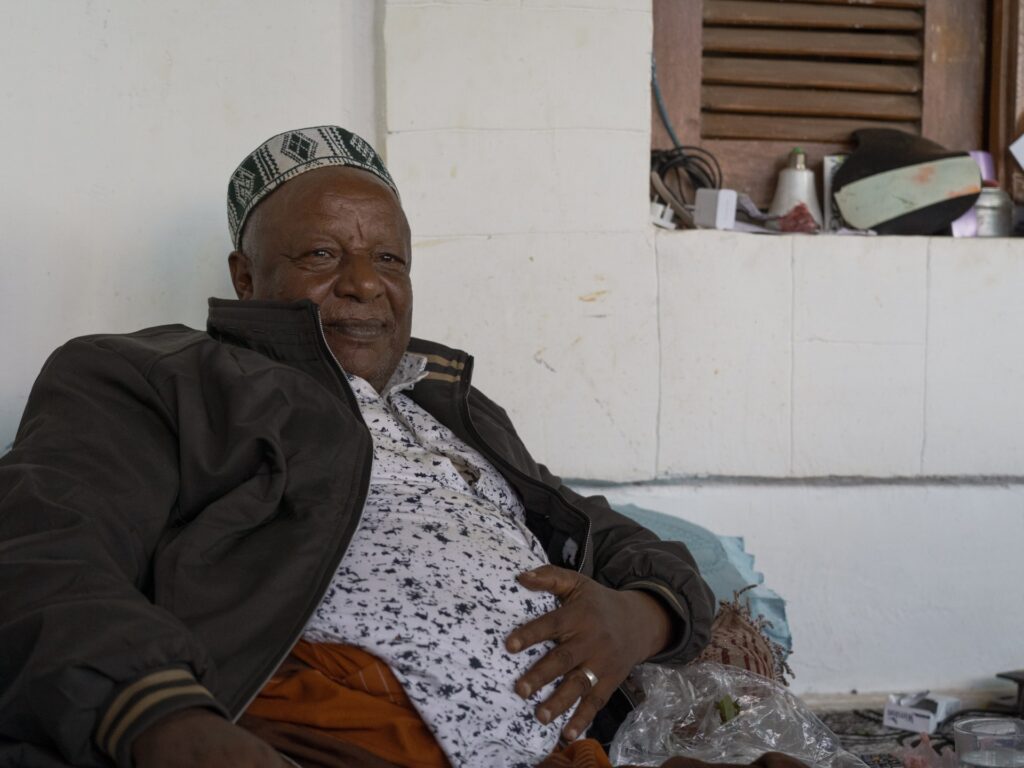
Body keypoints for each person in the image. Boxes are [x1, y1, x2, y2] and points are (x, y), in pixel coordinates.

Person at [0, 126, 714, 768]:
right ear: (244, 278)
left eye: (389, 259)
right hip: (326, 731)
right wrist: (166, 720)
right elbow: (45, 549)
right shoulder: (159, 377)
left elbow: (603, 532)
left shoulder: (455, 410)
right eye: (321, 254)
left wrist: (639, 616)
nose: (366, 284)